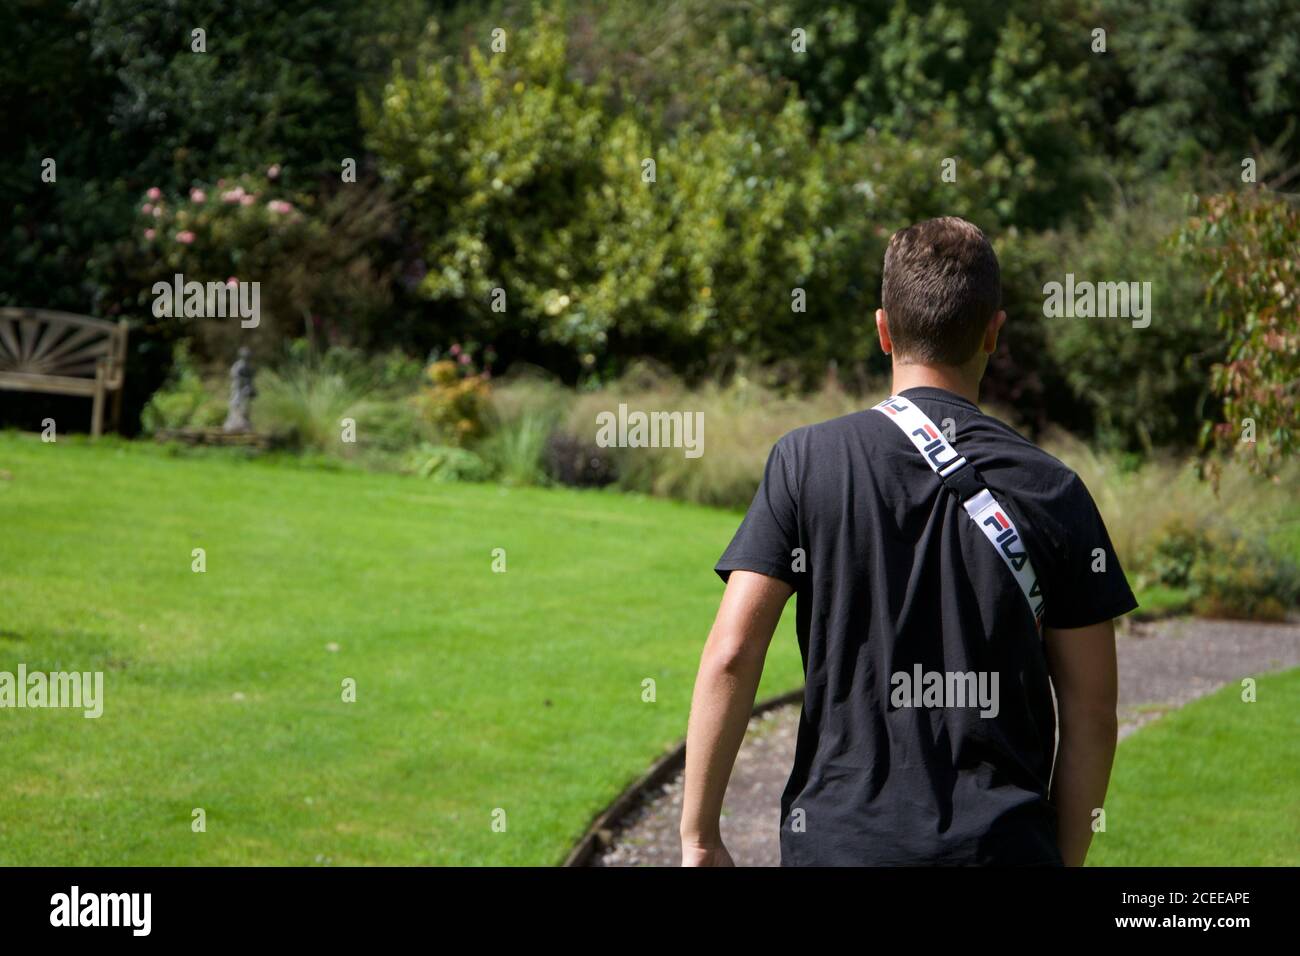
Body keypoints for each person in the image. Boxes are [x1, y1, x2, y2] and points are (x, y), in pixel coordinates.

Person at [680, 217, 1137, 866]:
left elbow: (732, 653)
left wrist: (699, 838)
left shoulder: (807, 461)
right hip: (999, 848)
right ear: (993, 333)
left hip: (839, 843)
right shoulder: (1055, 490)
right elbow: (1093, 711)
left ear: (883, 330)